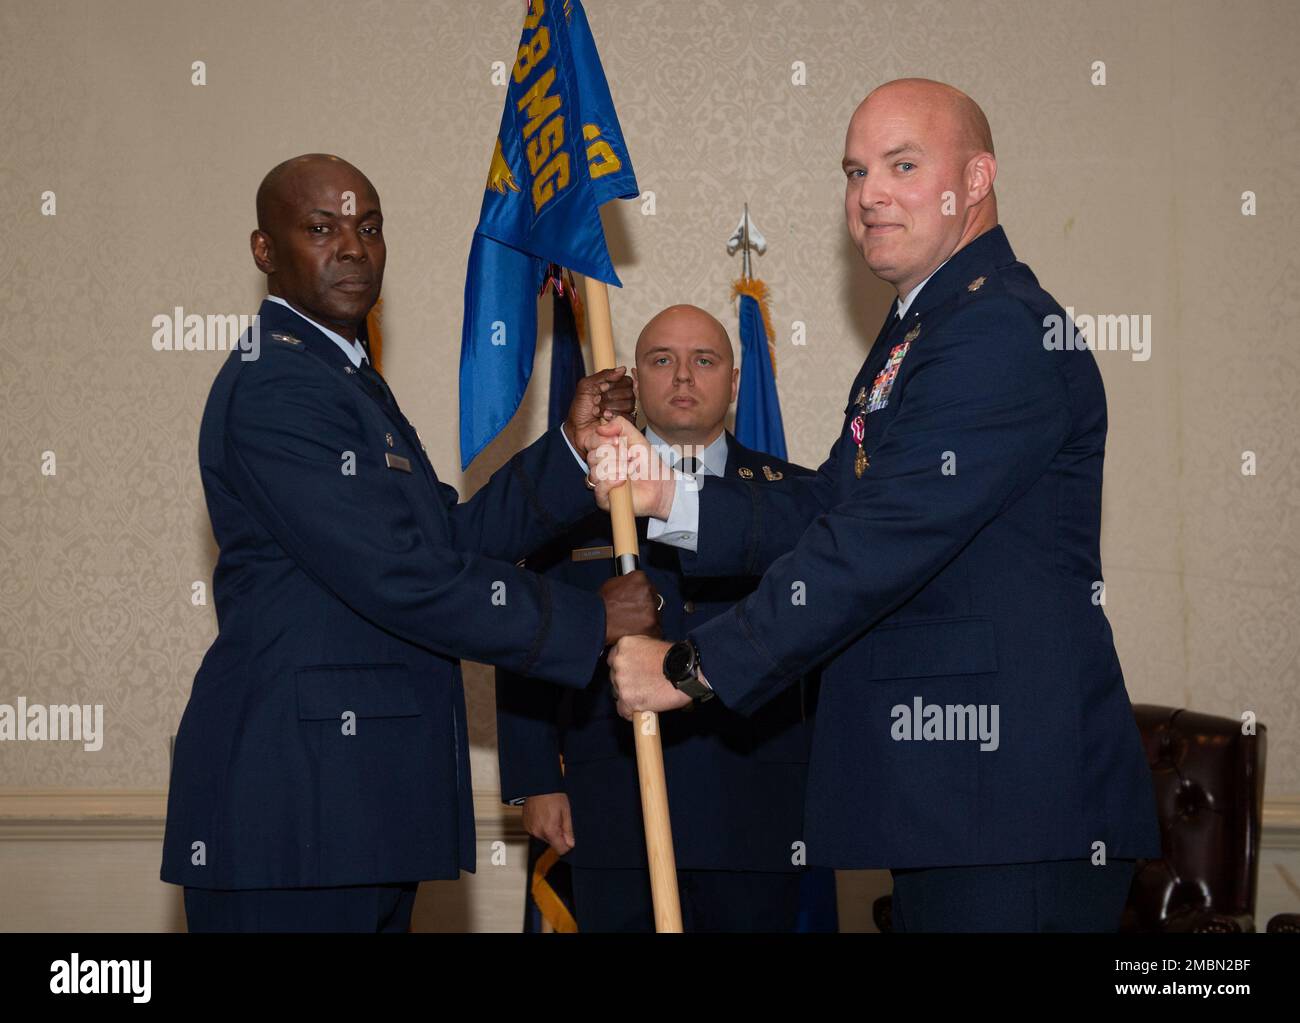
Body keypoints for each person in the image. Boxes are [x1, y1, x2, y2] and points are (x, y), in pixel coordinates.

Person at [591, 79, 1161, 932]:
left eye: (902, 164)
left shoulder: (998, 329)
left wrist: (692, 669)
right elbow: (829, 504)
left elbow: (878, 538)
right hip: (954, 805)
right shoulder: (922, 330)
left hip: (1012, 811)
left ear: (975, 180)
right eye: (856, 172)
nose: (869, 194)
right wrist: (668, 492)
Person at [160, 153, 660, 933]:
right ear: (265, 251)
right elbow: (399, 574)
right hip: (297, 811)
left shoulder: (343, 376)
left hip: (358, 807)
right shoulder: (278, 385)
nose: (353, 247)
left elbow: (446, 537)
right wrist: (585, 622)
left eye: (369, 227)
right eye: (321, 227)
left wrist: (567, 444)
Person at [497, 305, 814, 932]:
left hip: (757, 805)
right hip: (610, 806)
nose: (684, 377)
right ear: (635, 382)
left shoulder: (792, 500)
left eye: (705, 360)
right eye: (662, 361)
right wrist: (535, 778)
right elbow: (528, 636)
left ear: (735, 380)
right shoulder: (583, 499)